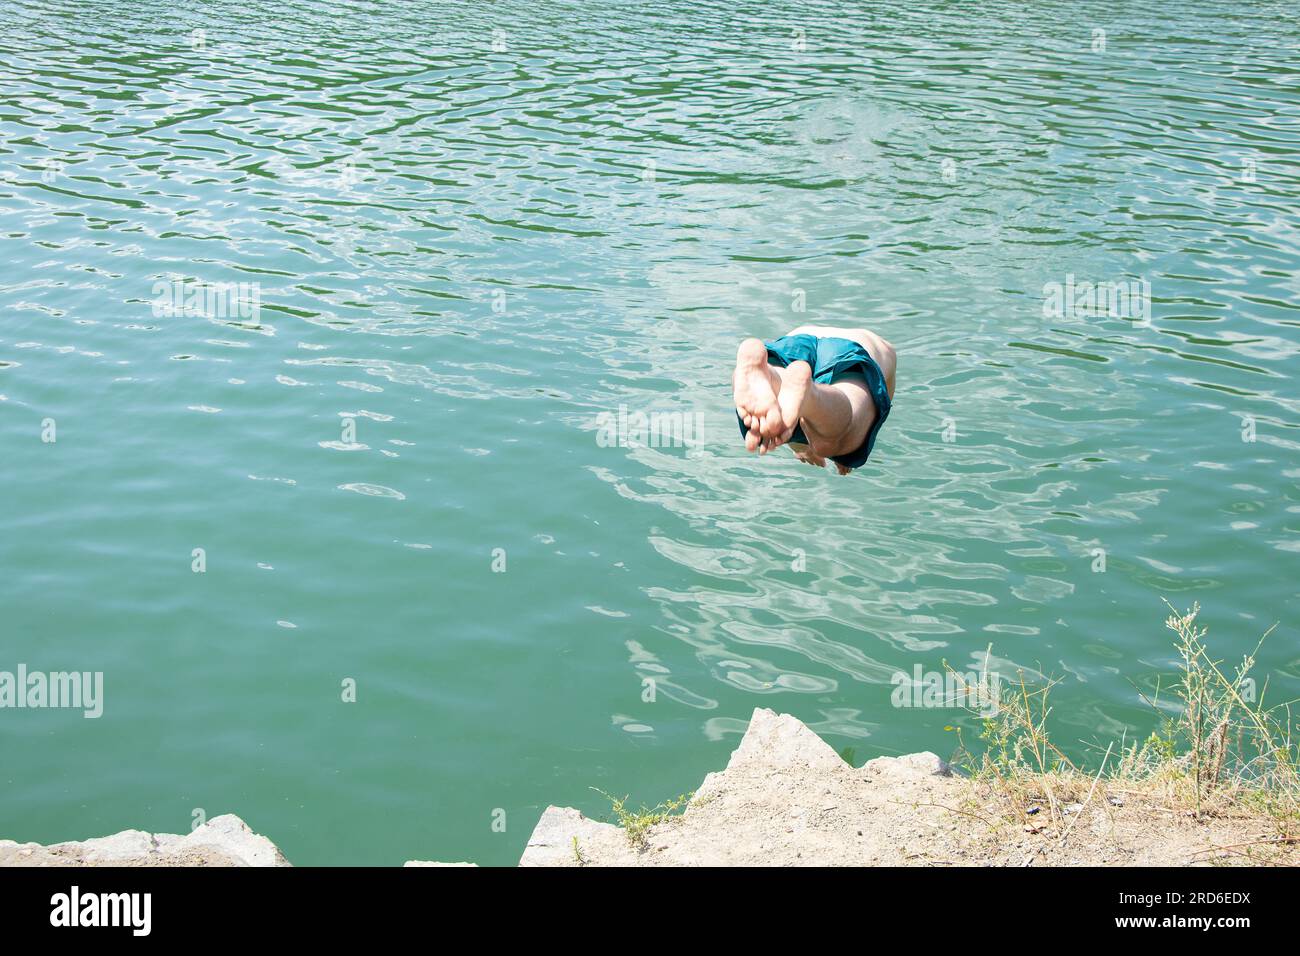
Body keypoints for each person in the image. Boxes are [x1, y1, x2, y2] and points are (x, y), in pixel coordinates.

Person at [733, 324, 896, 475]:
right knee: (847, 422)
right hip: (852, 350)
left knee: (782, 399)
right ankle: (813, 396)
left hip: (795, 341)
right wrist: (843, 448)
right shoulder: (884, 347)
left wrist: (799, 444)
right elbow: (879, 408)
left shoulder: (875, 341)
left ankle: (772, 375)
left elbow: (791, 404)